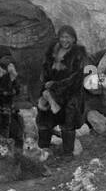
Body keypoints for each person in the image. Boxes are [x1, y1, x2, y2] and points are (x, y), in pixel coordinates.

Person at [39, 24, 91, 155]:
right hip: (52, 94)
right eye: (62, 37)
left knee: (68, 122)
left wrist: (55, 85)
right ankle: (43, 149)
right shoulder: (52, 51)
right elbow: (45, 70)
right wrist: (46, 85)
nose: (64, 40)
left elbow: (77, 77)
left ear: (74, 39)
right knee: (45, 120)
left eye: (68, 37)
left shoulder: (79, 54)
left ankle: (68, 153)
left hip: (70, 93)